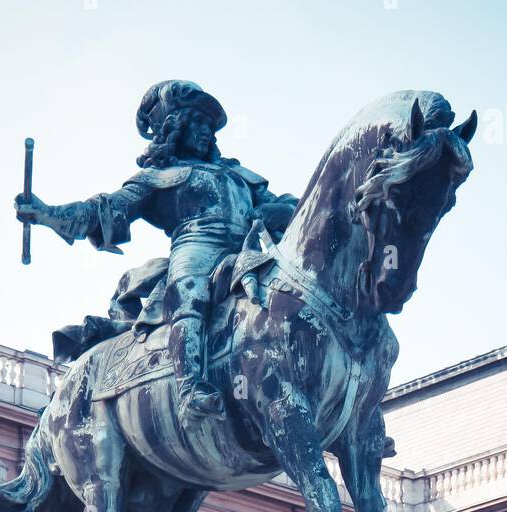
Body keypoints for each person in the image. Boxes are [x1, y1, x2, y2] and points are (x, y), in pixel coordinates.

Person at [15, 80, 296, 423]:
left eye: (210, 126)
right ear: (175, 128)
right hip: (196, 249)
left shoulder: (239, 175)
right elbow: (102, 210)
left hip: (248, 249)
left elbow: (285, 206)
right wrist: (46, 214)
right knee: (190, 292)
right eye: (198, 124)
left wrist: (279, 212)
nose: (207, 133)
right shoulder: (158, 177)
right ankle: (190, 387)